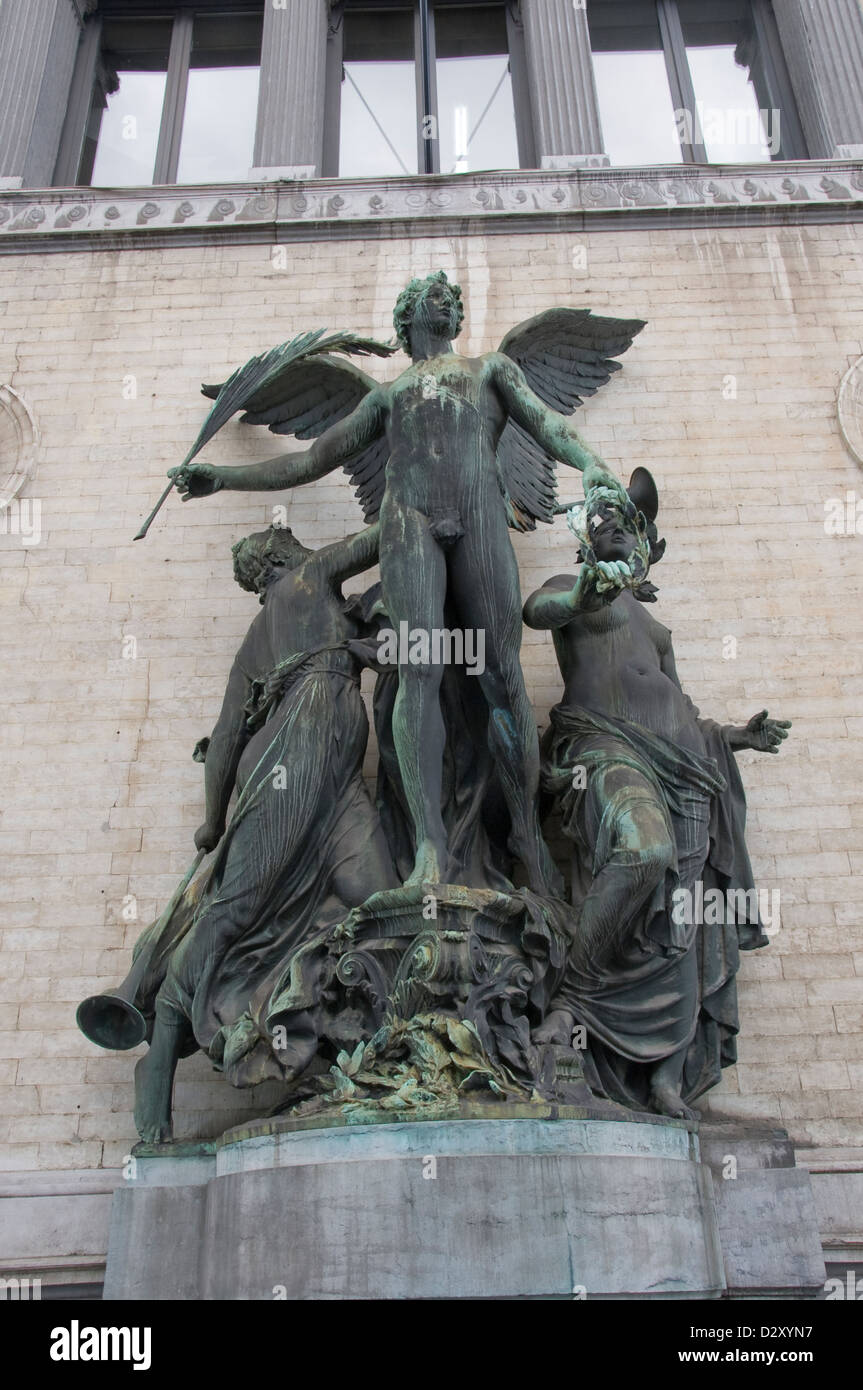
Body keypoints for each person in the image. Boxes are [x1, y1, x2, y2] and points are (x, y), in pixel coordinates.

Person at [169, 273, 624, 895]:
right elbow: (310, 461)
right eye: (431, 295)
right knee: (419, 675)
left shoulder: (490, 371)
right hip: (408, 526)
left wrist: (594, 466)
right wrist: (223, 477)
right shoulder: (385, 400)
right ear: (407, 318)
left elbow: (550, 427)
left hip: (479, 516)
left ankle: (525, 833)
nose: (446, 298)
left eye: (450, 296)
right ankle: (429, 848)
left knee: (505, 676)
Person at [523, 474, 790, 1118]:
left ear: (642, 545)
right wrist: (590, 587)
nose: (611, 527)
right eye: (601, 523)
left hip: (687, 766)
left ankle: (666, 1076)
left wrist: (737, 738)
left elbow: (684, 708)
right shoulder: (574, 591)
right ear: (586, 543)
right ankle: (572, 1001)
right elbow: (536, 613)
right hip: (601, 747)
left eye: (623, 523)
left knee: (683, 919)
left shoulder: (658, 628)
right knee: (645, 850)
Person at [133, 523, 397, 1142]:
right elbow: (378, 536)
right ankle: (162, 1052)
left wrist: (211, 816)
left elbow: (227, 734)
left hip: (337, 776)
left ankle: (357, 1054)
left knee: (380, 904)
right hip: (292, 758)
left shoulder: (271, 630)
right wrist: (431, 498)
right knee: (235, 910)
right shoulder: (305, 578)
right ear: (281, 559)